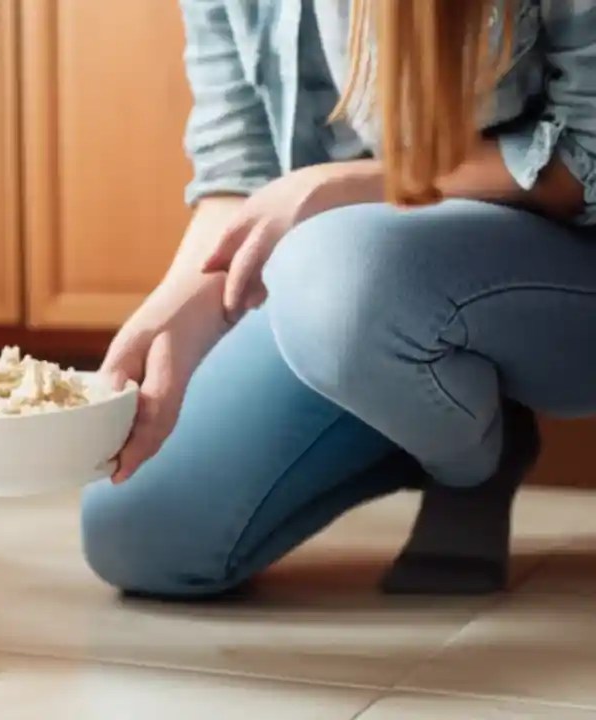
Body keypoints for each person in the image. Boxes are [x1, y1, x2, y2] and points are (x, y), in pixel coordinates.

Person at [81, 0, 596, 598]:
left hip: (552, 263)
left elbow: (587, 157)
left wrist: (355, 185)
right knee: (137, 536)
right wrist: (172, 314)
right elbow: (240, 166)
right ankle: (429, 418)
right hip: (356, 300)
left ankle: (471, 465)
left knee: (336, 267)